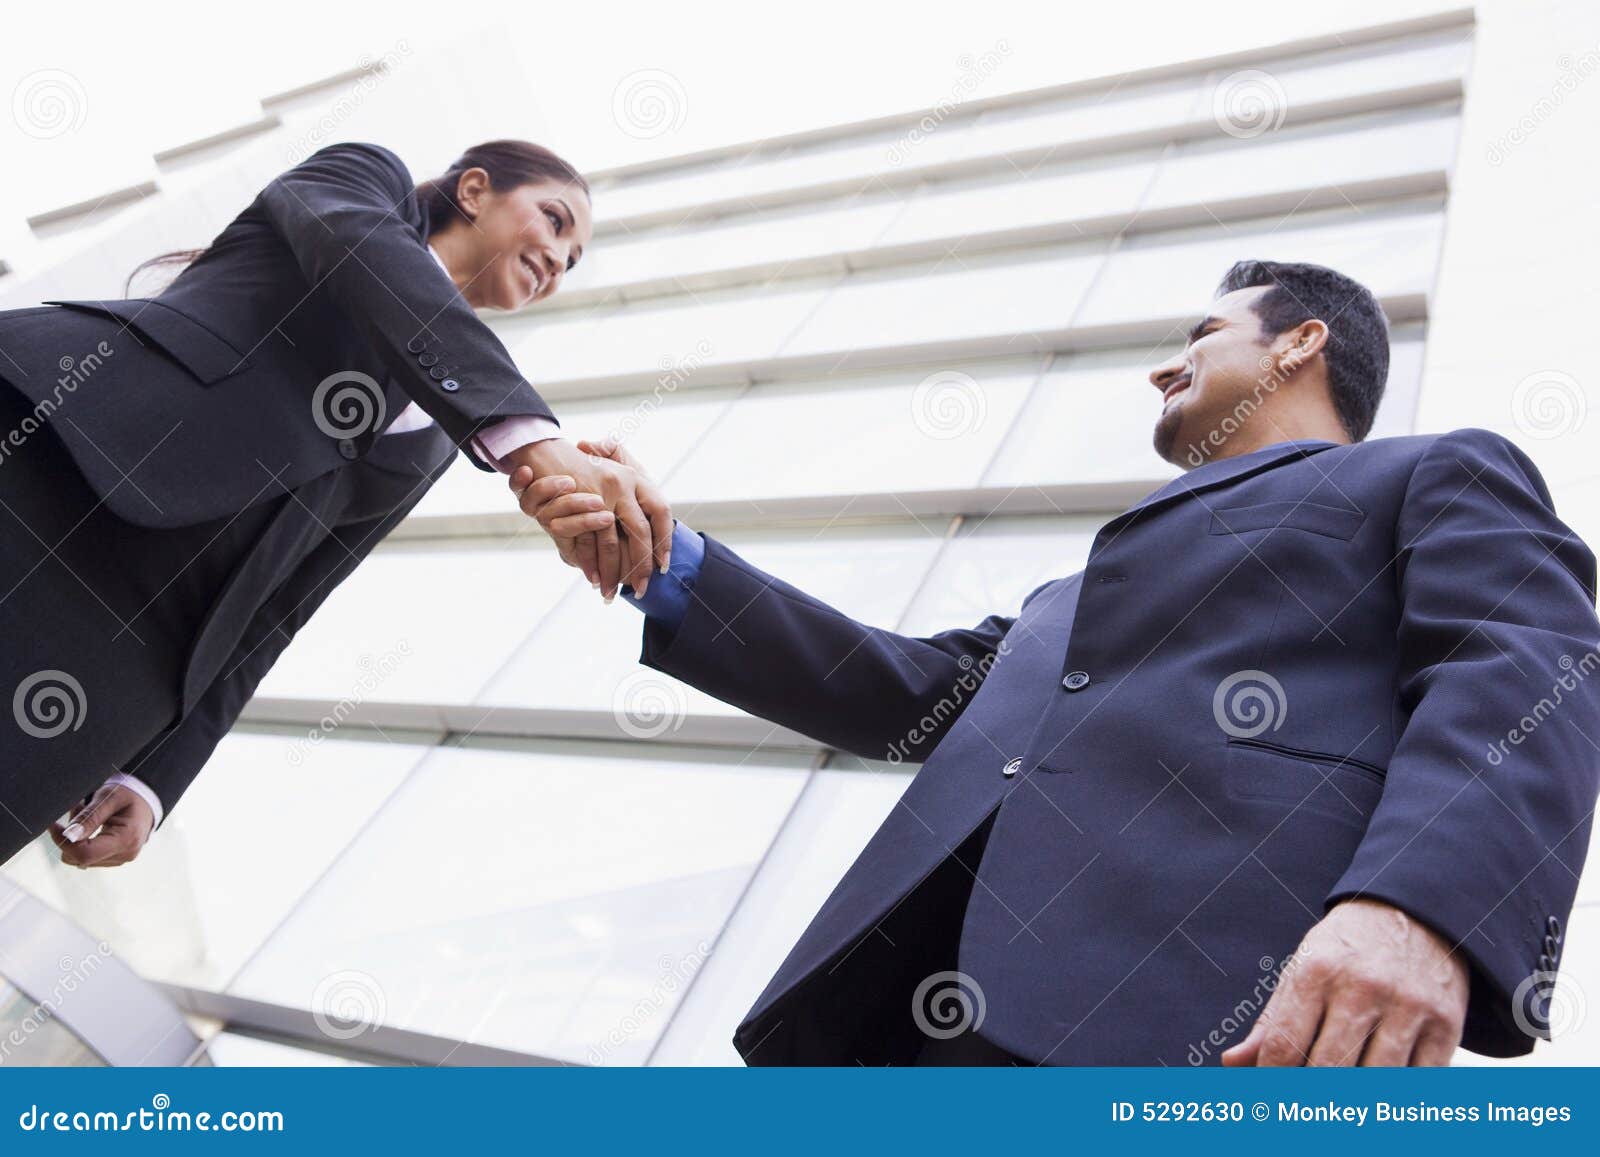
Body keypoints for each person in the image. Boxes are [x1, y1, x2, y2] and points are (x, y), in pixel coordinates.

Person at [517, 260, 1600, 1065]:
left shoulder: (1433, 472)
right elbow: (904, 689)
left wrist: (1416, 908)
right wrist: (667, 559)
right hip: (915, 1031)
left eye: (1205, 332)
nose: (1164, 363)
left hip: (1202, 1023)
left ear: (1297, 343)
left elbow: (1524, 661)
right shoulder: (1067, 601)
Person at [0, 139, 668, 869]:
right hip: (55, 470)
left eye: (574, 262)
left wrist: (157, 777)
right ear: (475, 190)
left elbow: (286, 600)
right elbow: (371, 261)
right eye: (555, 220)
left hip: (129, 662)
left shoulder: (442, 438)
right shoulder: (365, 184)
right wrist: (532, 443)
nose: (559, 259)